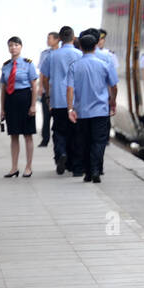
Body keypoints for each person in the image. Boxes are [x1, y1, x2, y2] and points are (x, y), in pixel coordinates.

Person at [67, 31, 117, 183]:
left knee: (85, 141)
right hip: (101, 111)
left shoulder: (74, 66)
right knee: (99, 141)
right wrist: (113, 101)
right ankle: (95, 170)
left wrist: (70, 109)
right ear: (95, 46)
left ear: (80, 47)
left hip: (82, 111)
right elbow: (114, 86)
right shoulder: (105, 64)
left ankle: (88, 172)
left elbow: (70, 89)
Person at [41, 26, 82, 176]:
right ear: (73, 38)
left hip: (57, 100)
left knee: (59, 131)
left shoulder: (52, 56)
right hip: (76, 102)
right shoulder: (79, 54)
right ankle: (74, 165)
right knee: (75, 133)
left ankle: (61, 154)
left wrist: (48, 95)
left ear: (60, 39)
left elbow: (45, 77)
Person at [0, 36, 39, 178]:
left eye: (16, 45)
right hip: (11, 101)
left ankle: (28, 167)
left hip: (25, 99)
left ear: (21, 47)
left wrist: (33, 105)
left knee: (27, 134)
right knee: (13, 135)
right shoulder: (6, 66)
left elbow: (34, 86)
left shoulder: (28, 64)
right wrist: (2, 109)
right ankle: (14, 167)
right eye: (10, 45)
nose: (13, 48)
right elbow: (3, 88)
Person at [37, 31, 58, 146]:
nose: (47, 40)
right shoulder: (44, 54)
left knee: (58, 117)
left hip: (58, 91)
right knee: (46, 116)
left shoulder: (61, 53)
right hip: (47, 89)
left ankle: (57, 139)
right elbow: (42, 72)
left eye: (49, 38)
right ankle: (45, 139)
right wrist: (40, 87)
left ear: (57, 40)